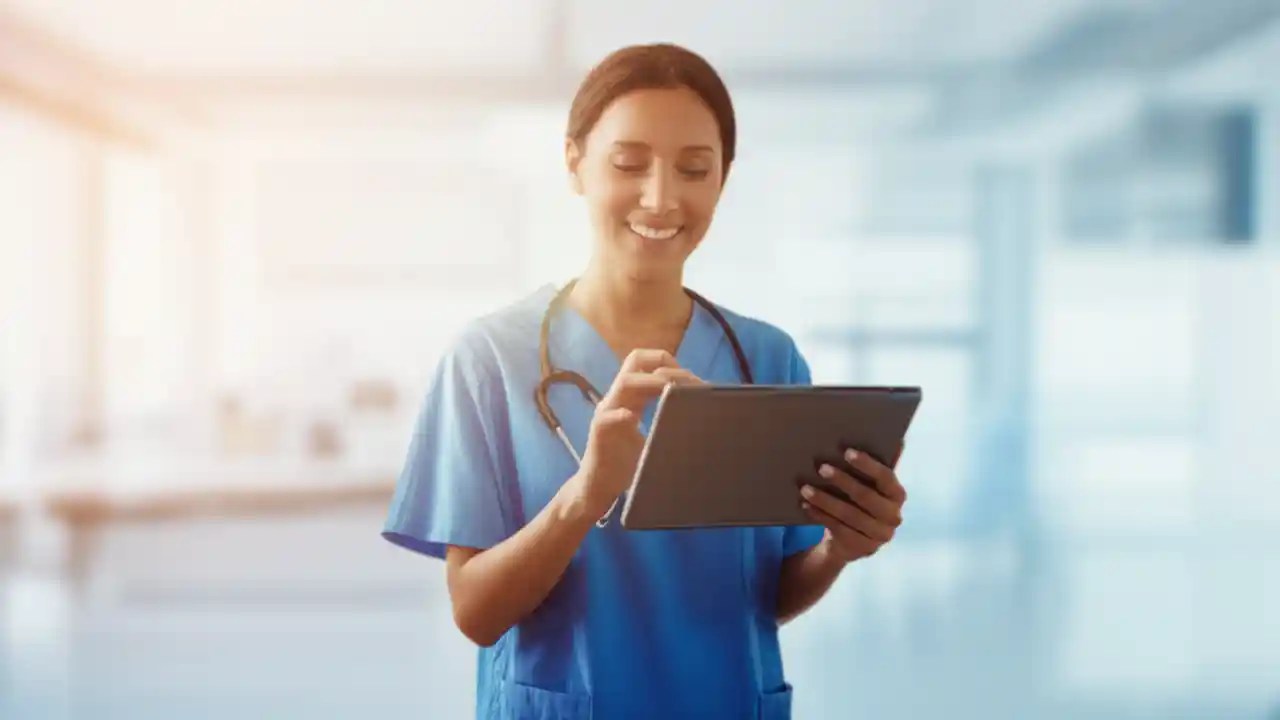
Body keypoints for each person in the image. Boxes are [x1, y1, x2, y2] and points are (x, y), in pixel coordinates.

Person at [382, 42, 908, 720]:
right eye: (629, 164)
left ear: (723, 178)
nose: (661, 198)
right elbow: (477, 614)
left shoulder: (767, 360)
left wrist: (840, 548)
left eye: (695, 168)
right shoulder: (487, 361)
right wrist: (588, 494)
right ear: (575, 164)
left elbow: (767, 598)